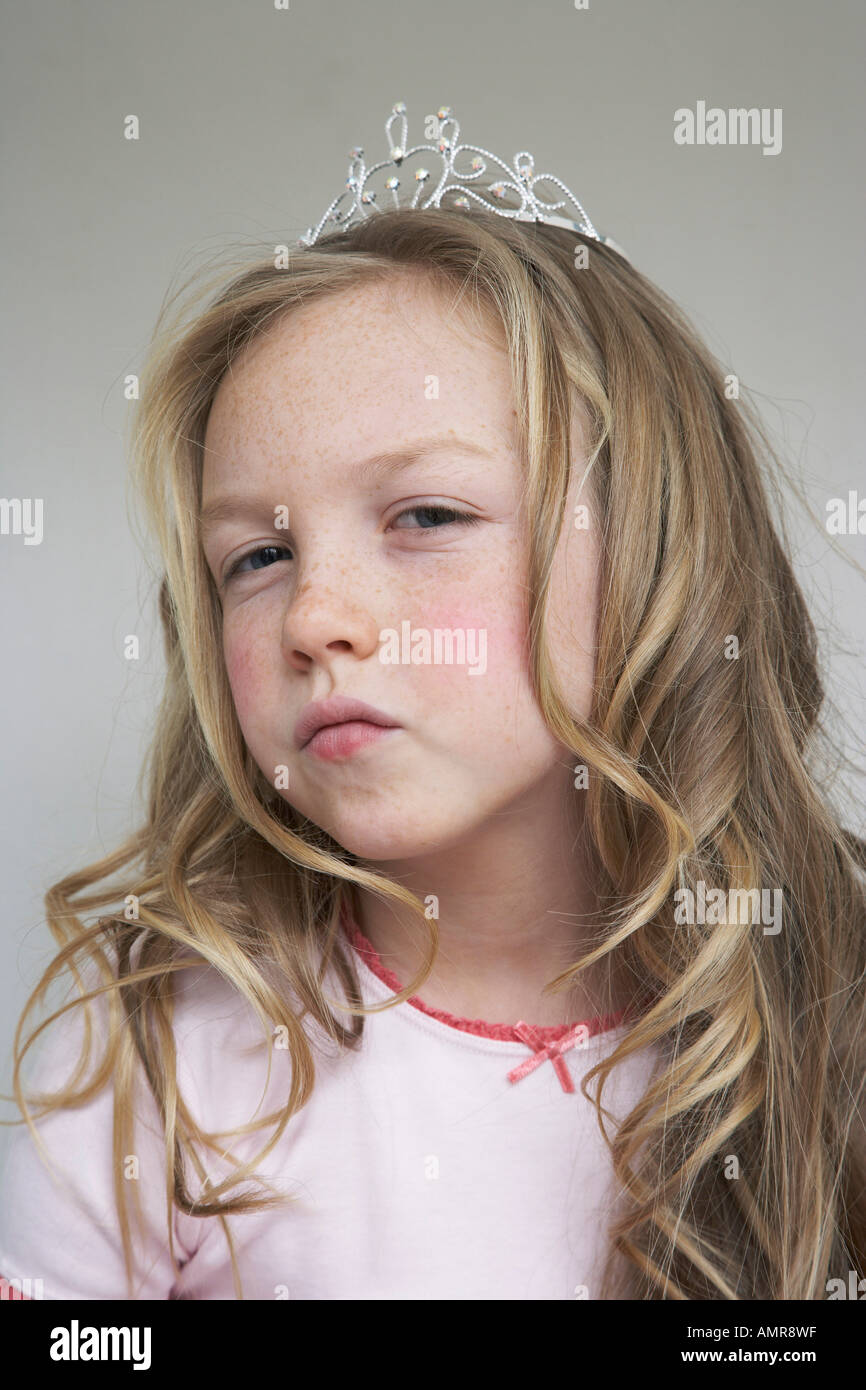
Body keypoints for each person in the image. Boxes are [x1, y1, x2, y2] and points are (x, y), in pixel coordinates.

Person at [1, 119, 864, 1299]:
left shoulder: (833, 1023)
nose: (314, 616)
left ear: (661, 558)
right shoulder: (148, 1066)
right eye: (255, 555)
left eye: (425, 517)